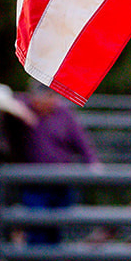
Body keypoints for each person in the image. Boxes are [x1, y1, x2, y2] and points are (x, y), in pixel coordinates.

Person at [11, 81, 100, 246]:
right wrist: (23, 113)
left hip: (61, 182)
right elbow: (6, 103)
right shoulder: (22, 108)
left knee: (57, 229)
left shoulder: (64, 113)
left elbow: (81, 142)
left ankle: (50, 260)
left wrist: (93, 163)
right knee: (37, 228)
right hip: (34, 183)